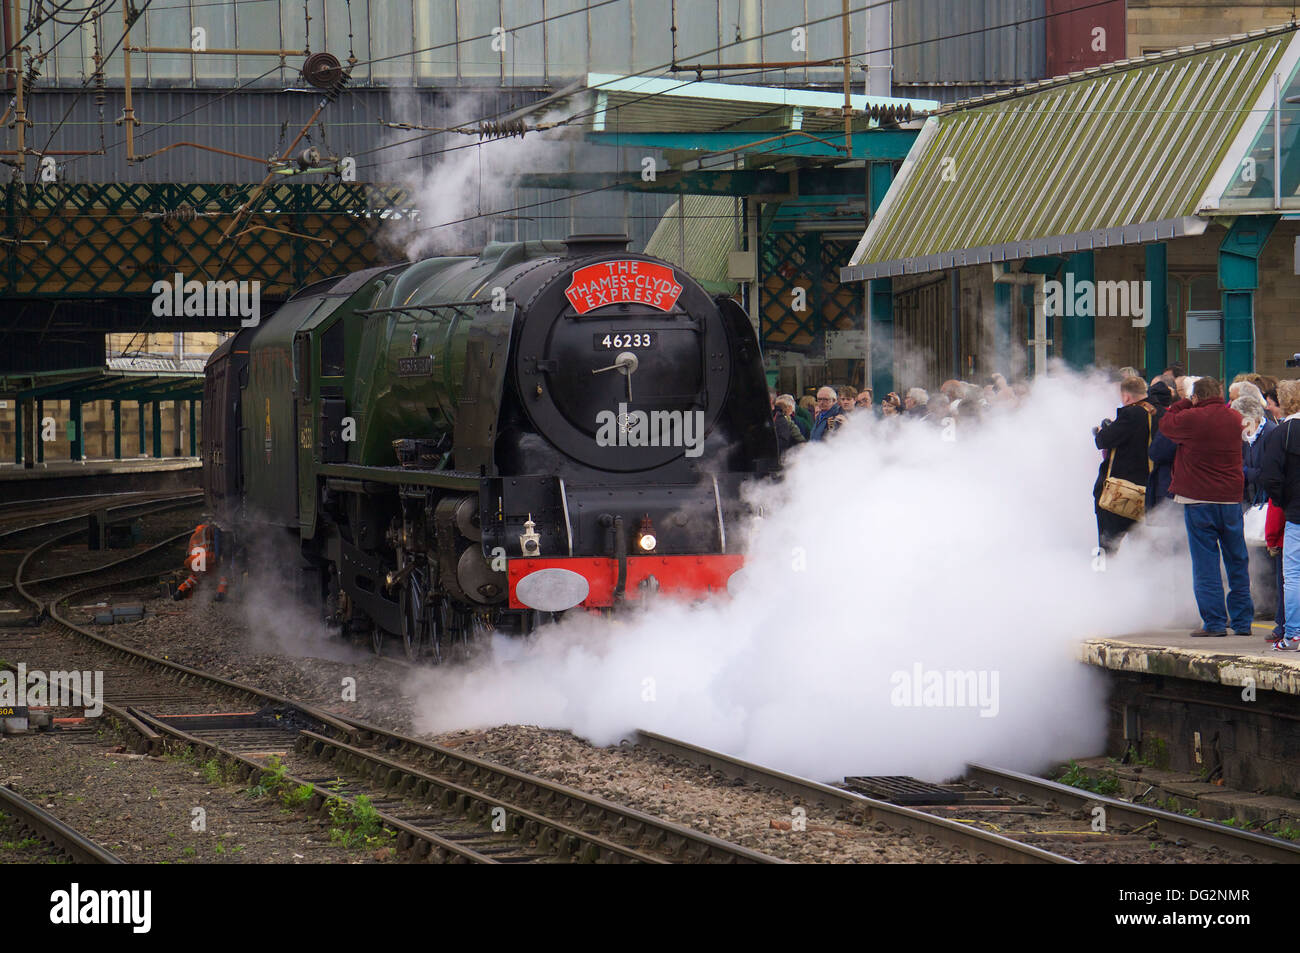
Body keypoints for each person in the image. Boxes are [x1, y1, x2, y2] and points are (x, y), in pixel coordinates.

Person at [1159, 376, 1253, 637]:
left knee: (1206, 563)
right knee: (1237, 560)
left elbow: (1165, 424)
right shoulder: (1234, 419)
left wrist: (1184, 403)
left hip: (1198, 500)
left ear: (1196, 397)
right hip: (1231, 500)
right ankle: (1242, 622)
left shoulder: (1191, 418)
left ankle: (1214, 623)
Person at [1093, 377, 1158, 554]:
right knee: (1143, 549)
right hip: (1149, 491)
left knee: (1108, 546)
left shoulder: (1132, 414)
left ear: (1127, 397)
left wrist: (1103, 430)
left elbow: (1103, 440)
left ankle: (1103, 577)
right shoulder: (1159, 412)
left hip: (1122, 491)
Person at [1261, 380, 1300, 648]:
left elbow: (1270, 478)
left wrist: (1286, 502)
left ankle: (1294, 634)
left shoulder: (1282, 433)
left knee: (1294, 575)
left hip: (1296, 514)